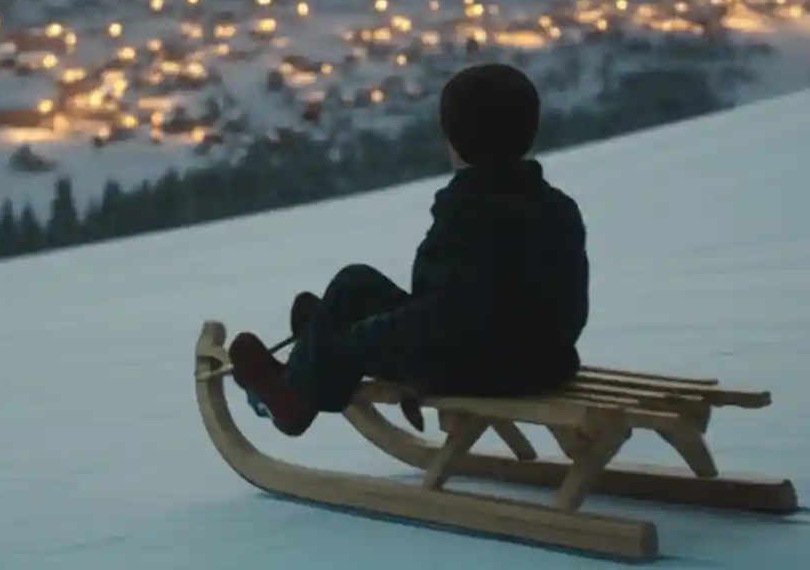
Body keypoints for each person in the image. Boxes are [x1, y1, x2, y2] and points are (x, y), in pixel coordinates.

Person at [229, 63, 589, 437]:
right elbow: (516, 306)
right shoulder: (557, 207)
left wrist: (361, 339)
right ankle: (318, 344)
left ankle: (294, 398)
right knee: (356, 286)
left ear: (455, 140)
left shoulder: (467, 218)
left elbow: (443, 322)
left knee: (354, 325)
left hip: (484, 370)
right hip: (548, 361)